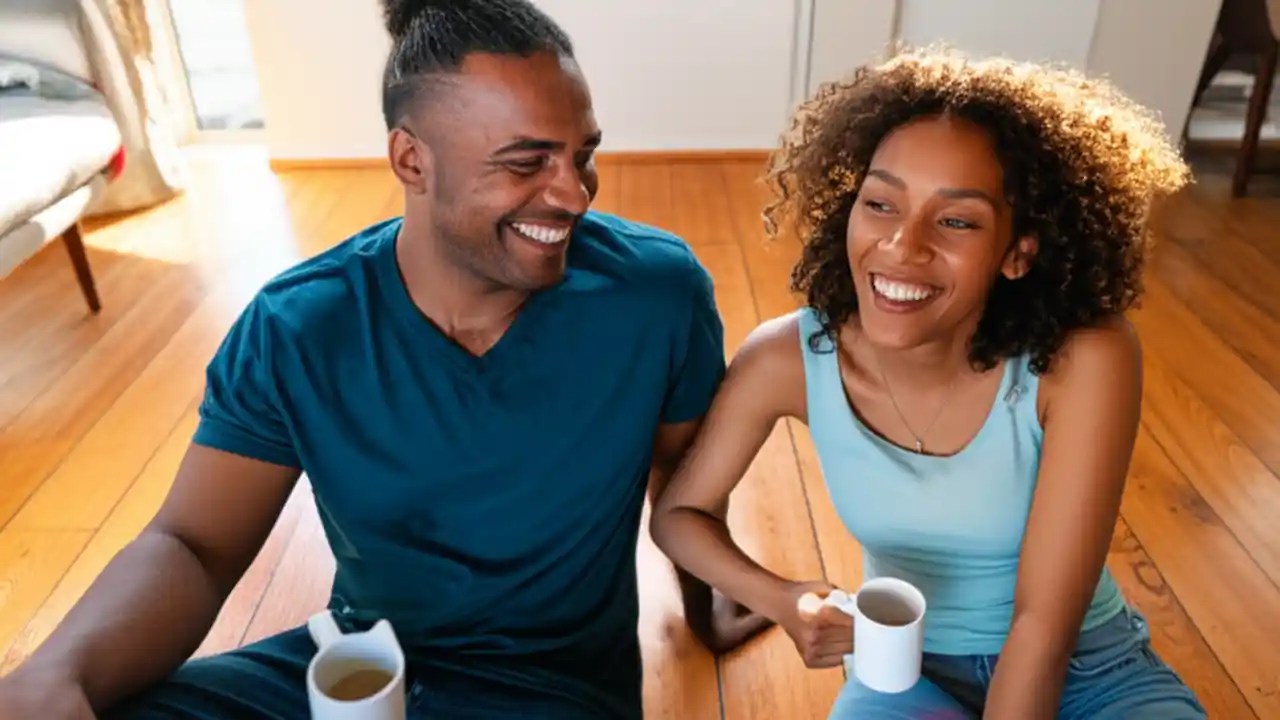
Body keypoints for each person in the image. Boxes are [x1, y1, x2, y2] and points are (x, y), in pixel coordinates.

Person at [0, 1, 770, 718]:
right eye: (526, 161)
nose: (573, 193)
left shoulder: (656, 296)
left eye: (582, 153)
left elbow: (684, 485)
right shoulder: (299, 326)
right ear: (411, 160)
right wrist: (58, 670)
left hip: (550, 689)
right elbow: (194, 545)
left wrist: (707, 611)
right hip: (363, 668)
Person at [650, 47, 1206, 719]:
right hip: (900, 667)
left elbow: (1042, 628)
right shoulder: (790, 357)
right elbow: (679, 516)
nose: (903, 244)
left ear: (1018, 251)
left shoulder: (1084, 357)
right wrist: (781, 598)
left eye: (957, 220)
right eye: (881, 203)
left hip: (1088, 668)